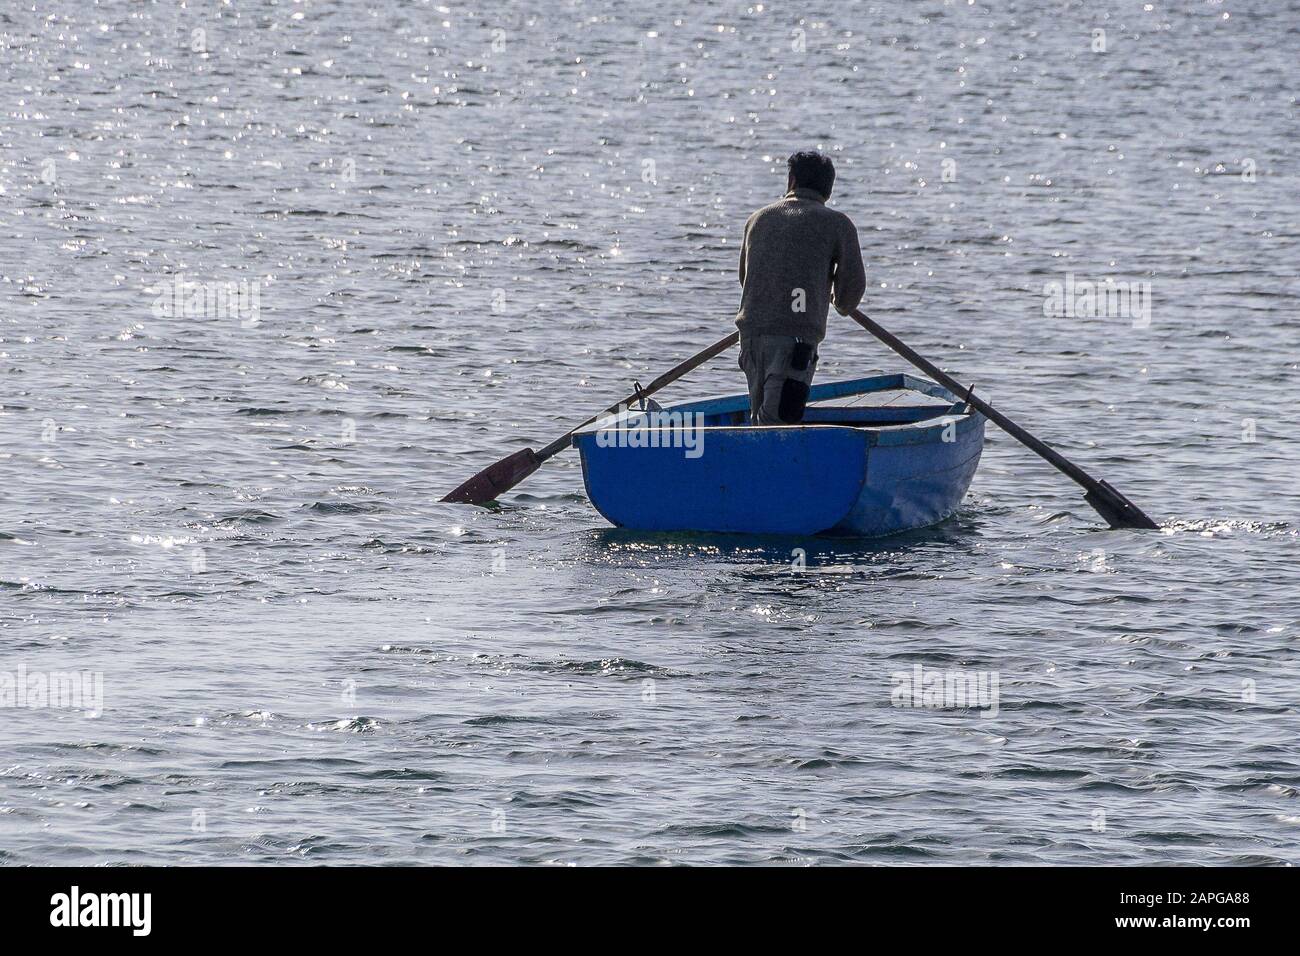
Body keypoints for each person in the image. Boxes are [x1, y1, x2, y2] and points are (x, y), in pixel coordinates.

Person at [735, 151, 866, 424]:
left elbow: (745, 278)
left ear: (791, 181)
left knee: (761, 418)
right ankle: (772, 465)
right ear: (828, 189)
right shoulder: (837, 224)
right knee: (778, 425)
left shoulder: (758, 219)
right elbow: (849, 295)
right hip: (794, 344)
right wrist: (836, 299)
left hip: (750, 338)